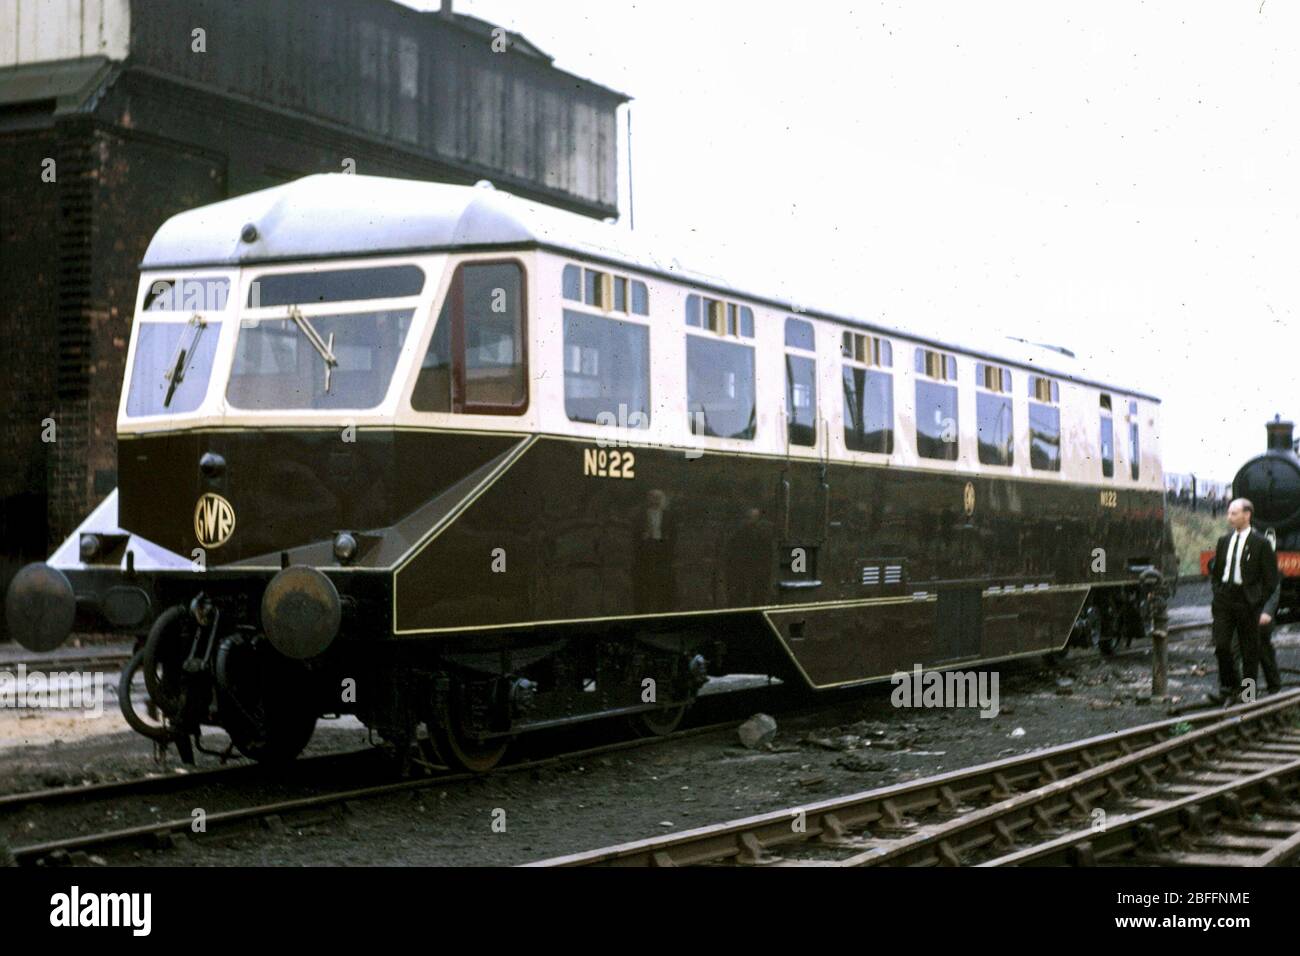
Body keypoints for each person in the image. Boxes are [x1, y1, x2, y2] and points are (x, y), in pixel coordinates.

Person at [1208, 498, 1279, 705]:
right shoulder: (1224, 541)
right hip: (1225, 599)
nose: (1229, 517)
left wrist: (1259, 602)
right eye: (1229, 513)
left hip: (1248, 602)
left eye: (1233, 513)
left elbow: (1271, 580)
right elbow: (1217, 572)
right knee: (1222, 645)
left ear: (1247, 515)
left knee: (1250, 651)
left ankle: (1248, 694)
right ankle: (1229, 688)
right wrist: (1218, 591)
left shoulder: (1261, 544)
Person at [1257, 577, 1283, 696]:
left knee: (1264, 650)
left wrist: (1267, 611)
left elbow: (1273, 585)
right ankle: (1248, 696)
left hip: (1258, 610)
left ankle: (1274, 688)